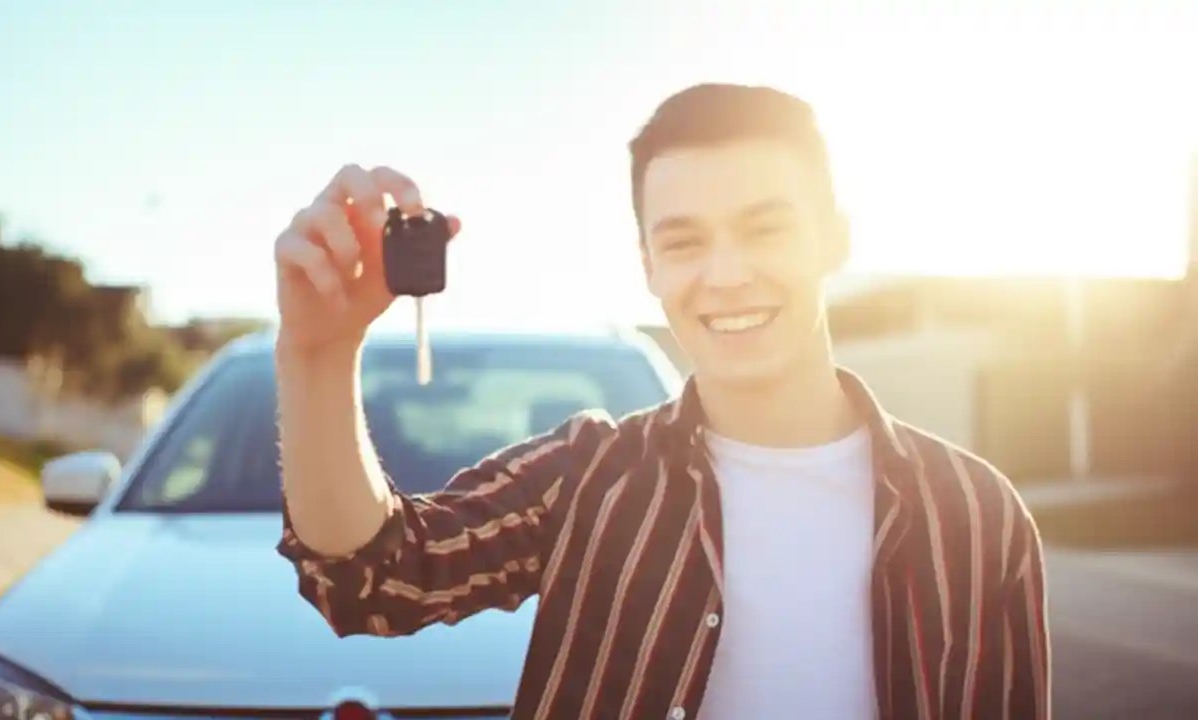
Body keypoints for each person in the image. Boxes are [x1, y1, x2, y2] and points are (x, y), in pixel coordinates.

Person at [273, 83, 1051, 720]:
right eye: (684, 242)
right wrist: (318, 353)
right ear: (648, 264)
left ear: (833, 240)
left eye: (764, 230)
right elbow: (374, 580)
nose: (727, 275)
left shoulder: (977, 517)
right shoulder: (587, 477)